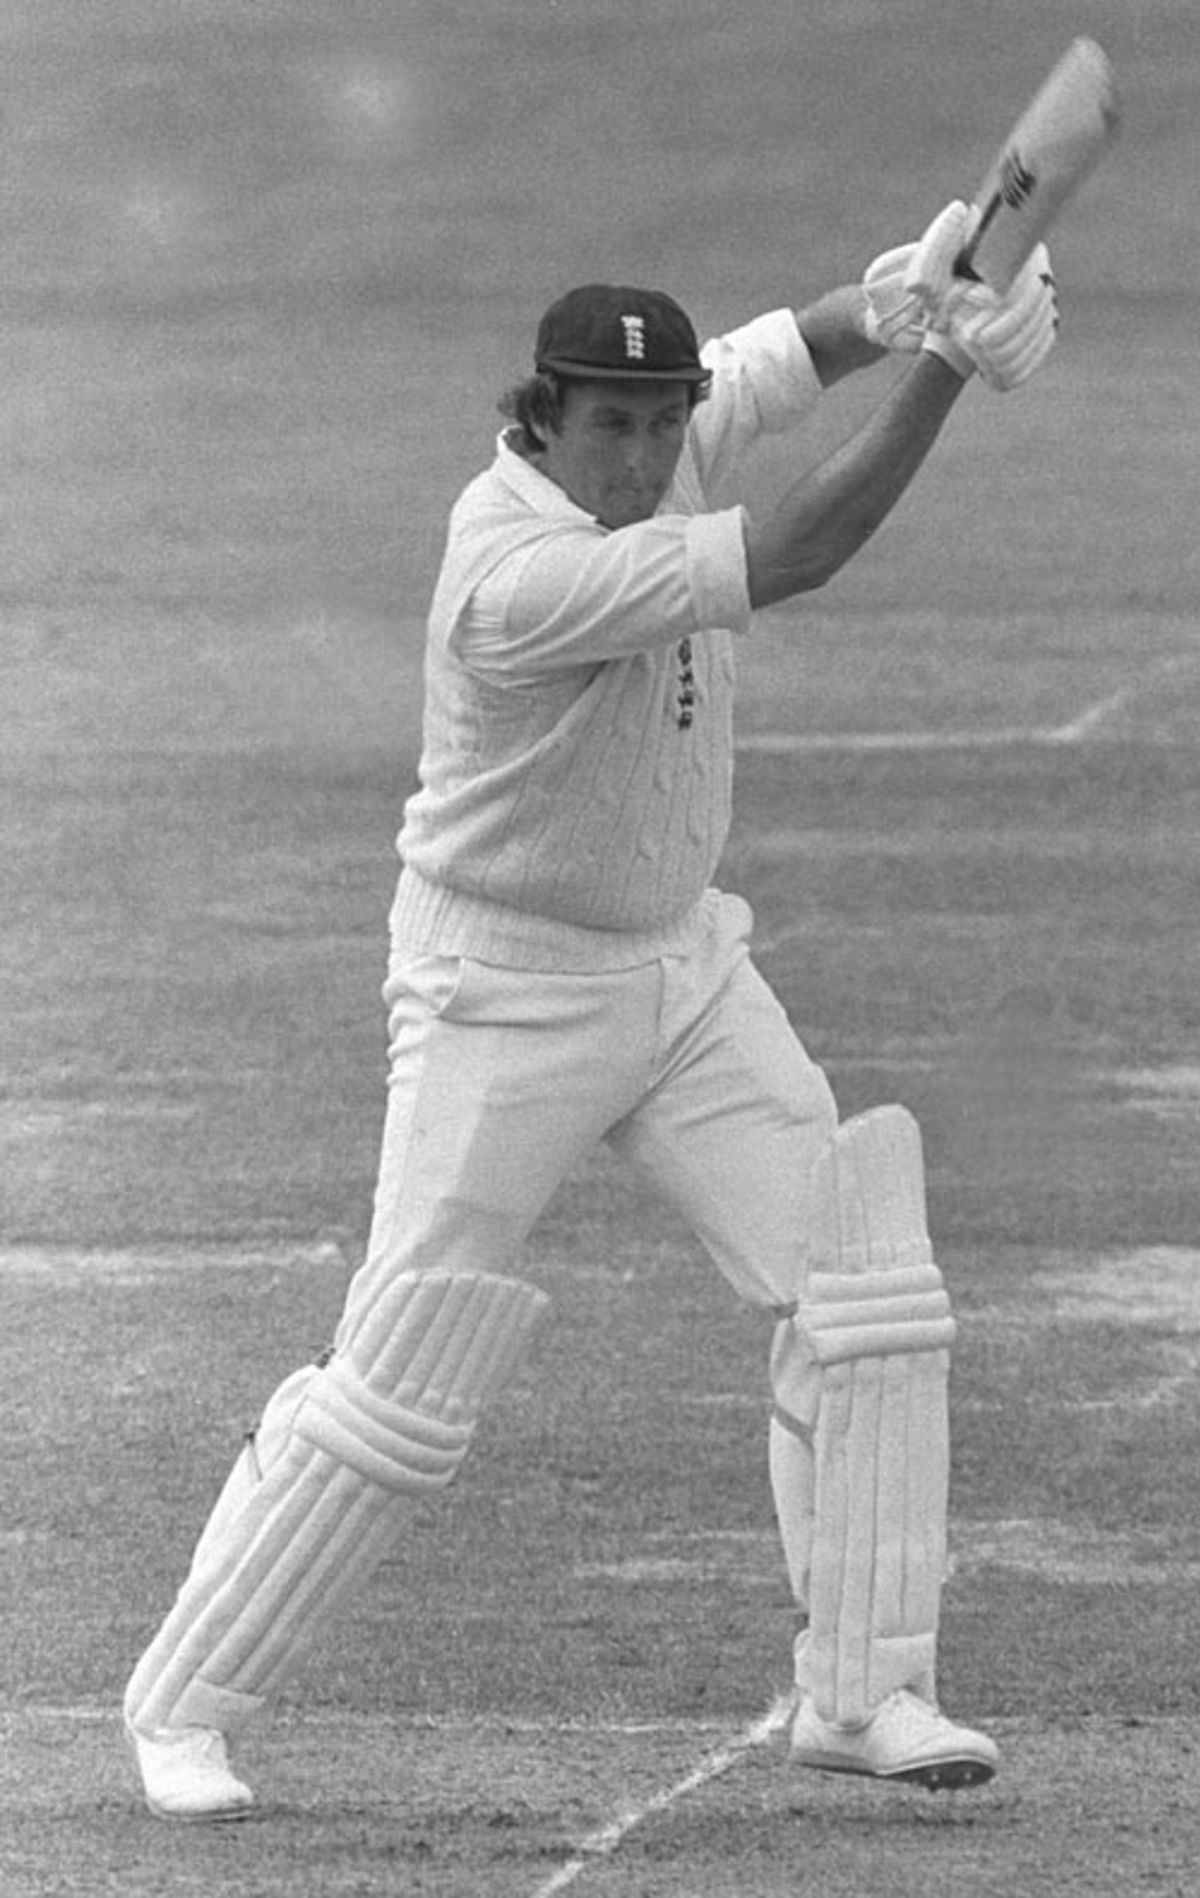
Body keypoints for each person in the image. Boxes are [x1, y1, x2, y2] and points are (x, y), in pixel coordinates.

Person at [123, 199, 1058, 1819]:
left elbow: (788, 350)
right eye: (608, 423)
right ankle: (180, 1700)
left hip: (682, 967)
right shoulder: (521, 567)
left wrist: (908, 302)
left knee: (863, 1295)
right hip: (502, 988)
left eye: (661, 420)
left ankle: (864, 1690)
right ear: (539, 417)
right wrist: (950, 374)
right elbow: (809, 545)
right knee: (402, 1365)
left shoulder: (669, 435)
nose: (641, 451)